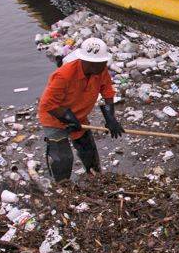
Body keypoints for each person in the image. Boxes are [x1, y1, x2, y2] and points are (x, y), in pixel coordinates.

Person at [38, 37, 124, 182]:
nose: (104, 66)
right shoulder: (64, 75)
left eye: (104, 62)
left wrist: (110, 118)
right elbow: (47, 104)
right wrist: (68, 118)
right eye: (100, 63)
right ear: (88, 63)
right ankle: (62, 186)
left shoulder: (100, 71)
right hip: (54, 118)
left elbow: (107, 92)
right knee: (63, 158)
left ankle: (95, 178)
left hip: (79, 116)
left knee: (88, 150)